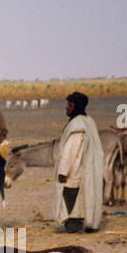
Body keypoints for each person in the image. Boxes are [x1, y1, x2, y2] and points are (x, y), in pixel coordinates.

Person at [54, 91, 105, 233]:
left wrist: (63, 172)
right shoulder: (89, 121)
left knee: (71, 200)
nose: (67, 108)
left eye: (70, 105)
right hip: (84, 170)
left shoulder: (77, 125)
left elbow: (70, 151)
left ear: (76, 107)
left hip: (74, 171)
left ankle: (75, 226)